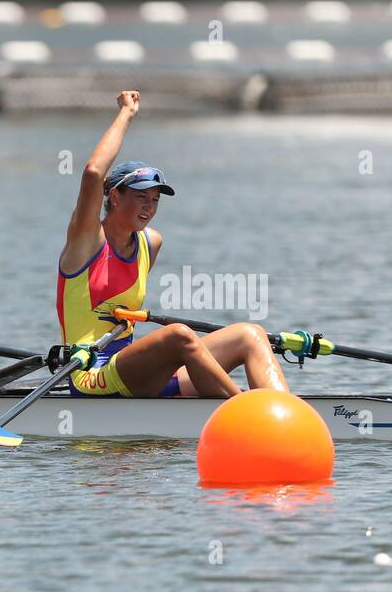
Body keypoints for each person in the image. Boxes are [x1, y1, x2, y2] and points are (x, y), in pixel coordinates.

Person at [58, 91, 288, 398]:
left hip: (134, 375)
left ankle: (285, 412)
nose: (149, 207)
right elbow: (93, 173)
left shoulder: (150, 243)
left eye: (155, 200)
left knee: (250, 334)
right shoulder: (86, 241)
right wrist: (127, 112)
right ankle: (246, 414)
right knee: (179, 335)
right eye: (141, 196)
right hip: (92, 376)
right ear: (114, 196)